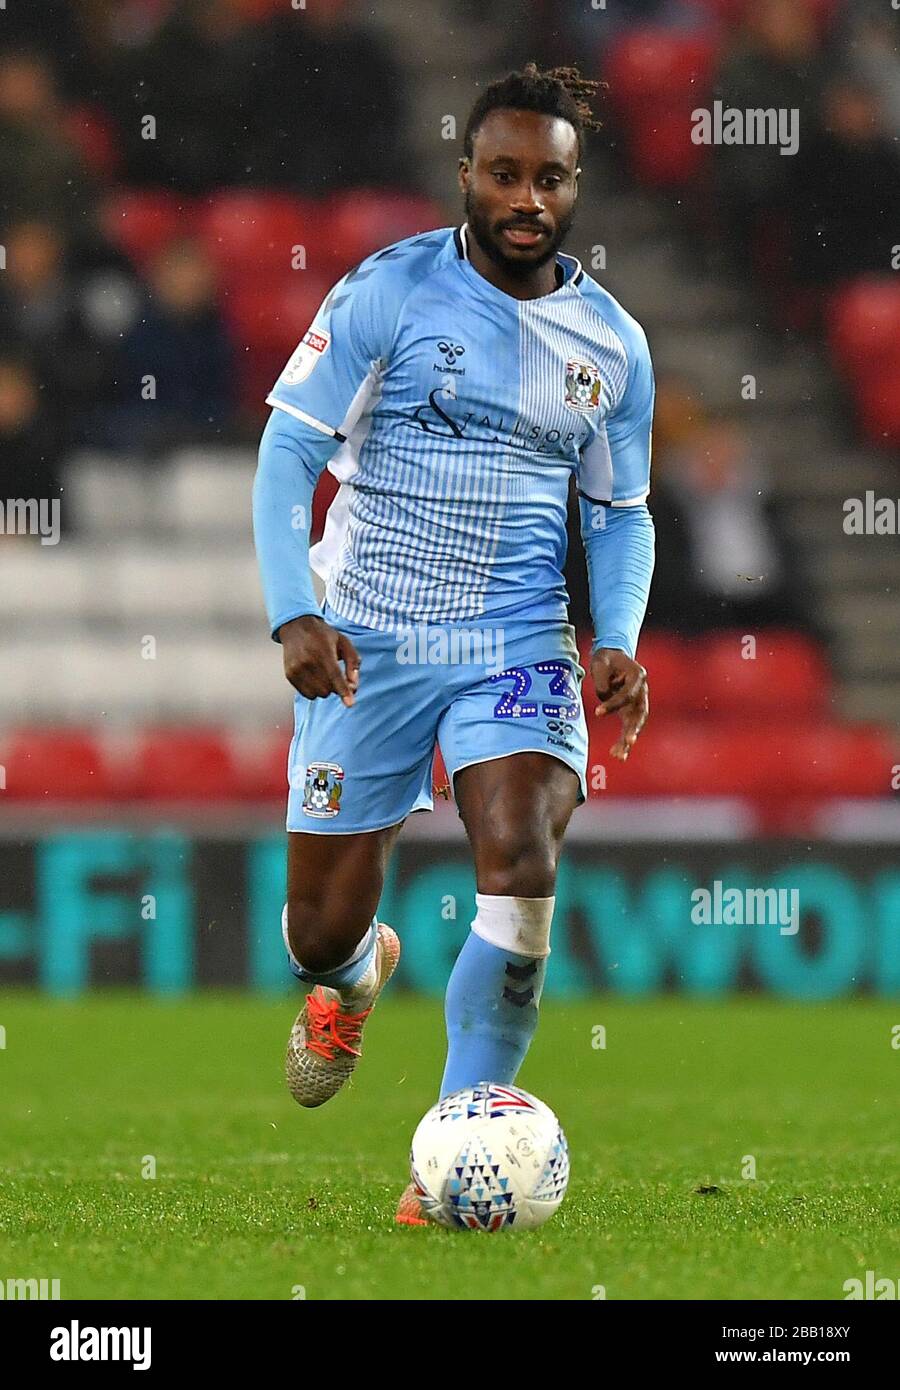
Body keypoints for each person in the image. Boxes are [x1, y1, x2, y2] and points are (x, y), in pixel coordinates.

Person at [252, 64, 655, 1225]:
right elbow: (288, 456)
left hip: (517, 641)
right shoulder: (388, 292)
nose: (527, 197)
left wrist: (616, 635)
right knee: (317, 924)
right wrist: (295, 609)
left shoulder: (612, 346)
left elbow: (619, 514)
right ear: (466, 175)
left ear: (578, 187)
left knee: (520, 859)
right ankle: (348, 977)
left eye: (552, 178)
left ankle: (459, 1151)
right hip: (365, 638)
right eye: (506, 173)